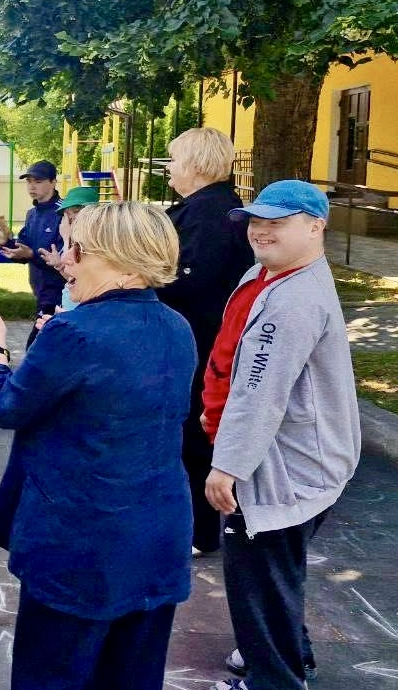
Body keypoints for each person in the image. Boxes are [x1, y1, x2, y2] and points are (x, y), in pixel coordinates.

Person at [0, 201, 197, 690]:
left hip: (80, 545)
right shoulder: (178, 327)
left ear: (126, 262)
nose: (65, 259)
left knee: (52, 673)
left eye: (79, 249)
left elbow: (9, 406)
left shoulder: (75, 331)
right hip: (157, 537)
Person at [203, 180, 361, 690]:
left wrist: (228, 465)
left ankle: (276, 678)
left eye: (278, 220)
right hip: (296, 458)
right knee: (274, 574)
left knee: (258, 578)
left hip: (283, 467)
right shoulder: (267, 275)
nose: (261, 229)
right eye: (256, 220)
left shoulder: (292, 300)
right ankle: (289, 653)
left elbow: (259, 391)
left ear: (316, 227)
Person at [155, 127, 254, 557]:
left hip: (203, 340)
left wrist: (144, 283)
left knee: (194, 431)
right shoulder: (205, 208)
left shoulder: (211, 212)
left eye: (173, 159)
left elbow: (193, 277)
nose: (169, 168)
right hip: (198, 337)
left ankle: (199, 532)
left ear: (195, 164)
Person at [0, 160, 64, 348]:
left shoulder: (65, 212)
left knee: (35, 349)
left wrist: (31, 254)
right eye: (29, 181)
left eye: (38, 181)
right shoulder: (32, 214)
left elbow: (64, 258)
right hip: (41, 293)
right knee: (48, 352)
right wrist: (4, 240)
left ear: (53, 182)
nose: (32, 186)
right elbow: (24, 250)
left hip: (61, 294)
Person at [36, 185, 100, 317]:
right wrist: (60, 266)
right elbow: (72, 278)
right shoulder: (78, 239)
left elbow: (79, 277)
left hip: (82, 311)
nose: (72, 220)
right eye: (68, 216)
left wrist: (66, 237)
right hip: (71, 306)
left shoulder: (94, 241)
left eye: (76, 211)